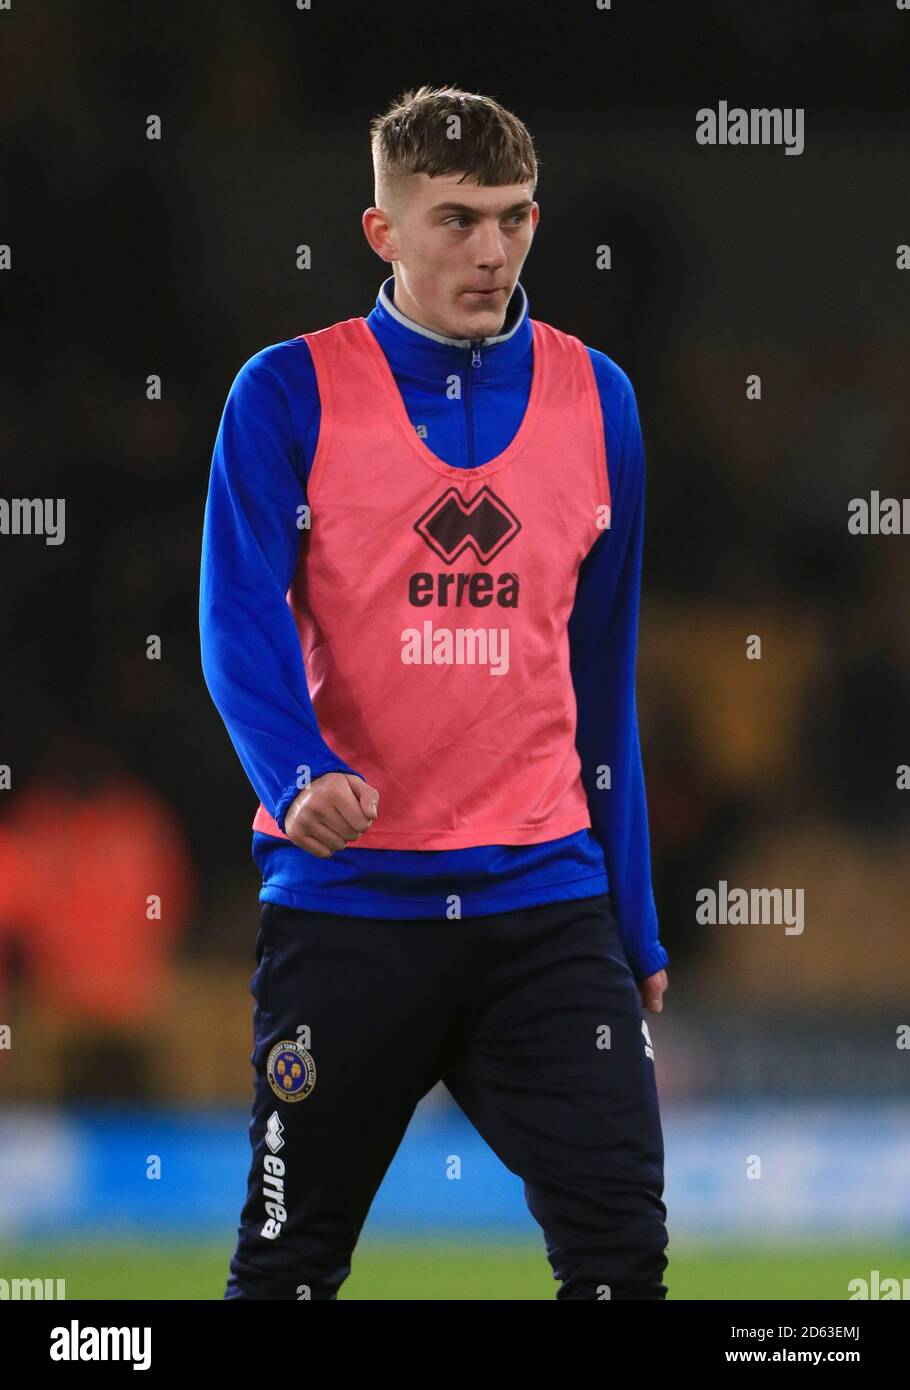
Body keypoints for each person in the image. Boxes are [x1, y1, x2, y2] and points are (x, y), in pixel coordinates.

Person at [200, 84, 669, 1300]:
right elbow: (235, 616)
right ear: (382, 231)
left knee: (622, 1260)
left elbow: (600, 673)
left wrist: (634, 917)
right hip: (350, 908)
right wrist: (294, 772)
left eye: (514, 219)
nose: (492, 252)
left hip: (545, 905)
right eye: (456, 220)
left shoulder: (598, 398)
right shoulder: (285, 394)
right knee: (287, 1270)